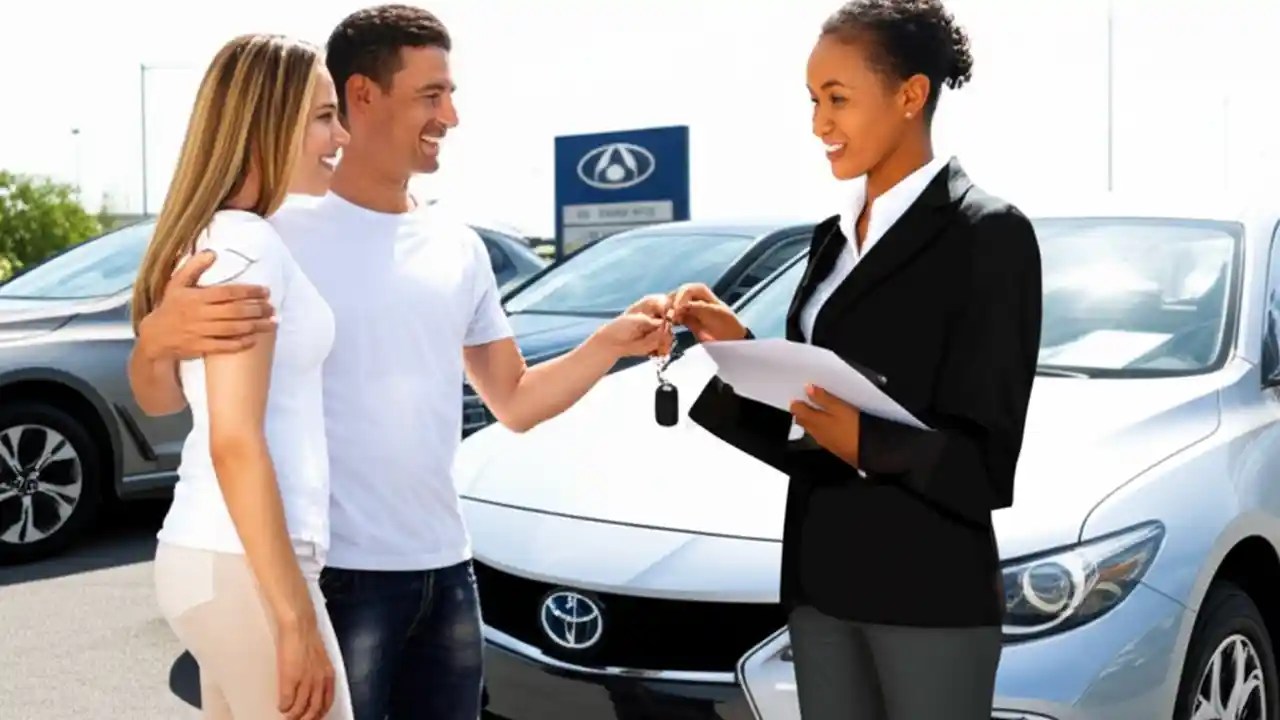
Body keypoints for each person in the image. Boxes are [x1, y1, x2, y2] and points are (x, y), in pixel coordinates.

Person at [128, 5, 671, 720]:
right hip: (327, 573)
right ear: (362, 94)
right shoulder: (269, 229)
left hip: (445, 569)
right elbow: (174, 401)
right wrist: (158, 339)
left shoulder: (458, 245)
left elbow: (514, 399)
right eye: (431, 94)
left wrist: (609, 344)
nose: (451, 115)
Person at [671, 1, 1042, 718]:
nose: (819, 124)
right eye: (813, 100)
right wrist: (736, 349)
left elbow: (987, 465)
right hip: (821, 588)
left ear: (911, 95)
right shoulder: (829, 240)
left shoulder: (987, 235)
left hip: (928, 598)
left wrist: (866, 441)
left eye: (837, 99)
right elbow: (805, 428)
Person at [133, 34, 353, 720]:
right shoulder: (243, 242)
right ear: (268, 121)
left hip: (214, 559)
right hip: (241, 566)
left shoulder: (221, 236)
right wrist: (294, 620)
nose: (341, 136)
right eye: (324, 117)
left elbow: (164, 401)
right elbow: (233, 438)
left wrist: (152, 342)